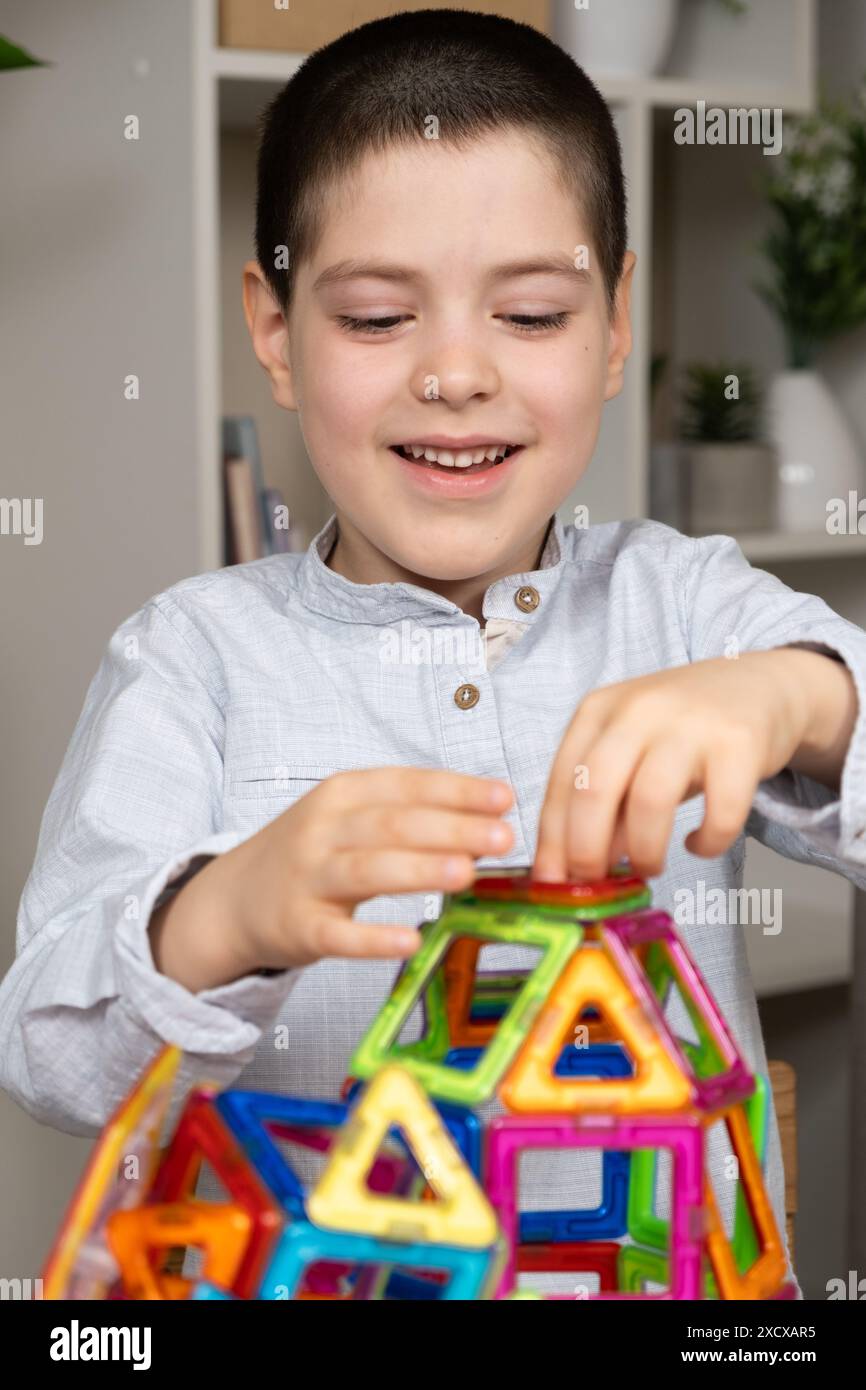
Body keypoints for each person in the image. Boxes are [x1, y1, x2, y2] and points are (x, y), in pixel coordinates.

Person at [3, 10, 865, 1296]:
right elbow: (47, 1059)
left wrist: (799, 691)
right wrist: (221, 914)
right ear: (278, 328)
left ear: (614, 322)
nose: (456, 374)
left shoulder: (682, 604)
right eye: (370, 318)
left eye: (528, 311)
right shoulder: (193, 658)